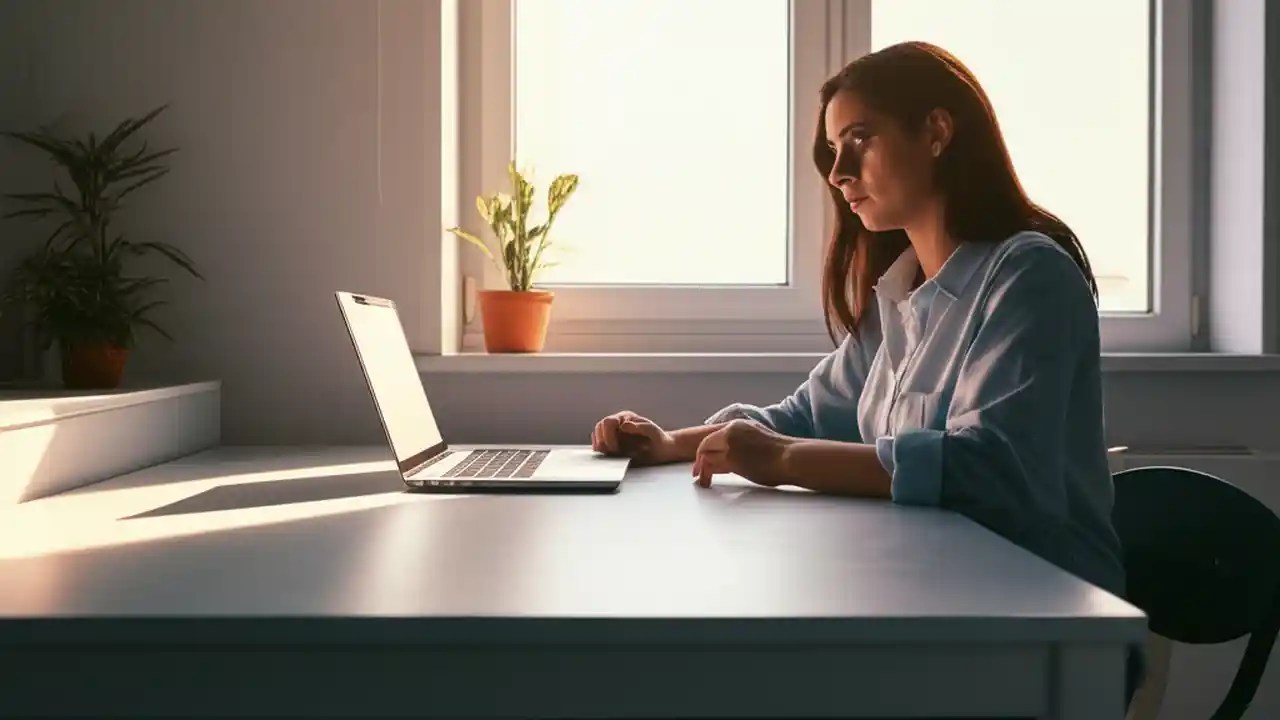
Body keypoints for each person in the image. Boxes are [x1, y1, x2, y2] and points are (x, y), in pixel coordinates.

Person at [590, 40, 1127, 601]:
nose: (839, 173)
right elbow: (806, 418)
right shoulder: (900, 294)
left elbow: (991, 468)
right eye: (831, 148)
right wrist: (671, 443)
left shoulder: (1028, 275)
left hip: (1045, 610)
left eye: (859, 140)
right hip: (934, 583)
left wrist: (782, 459)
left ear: (937, 132)